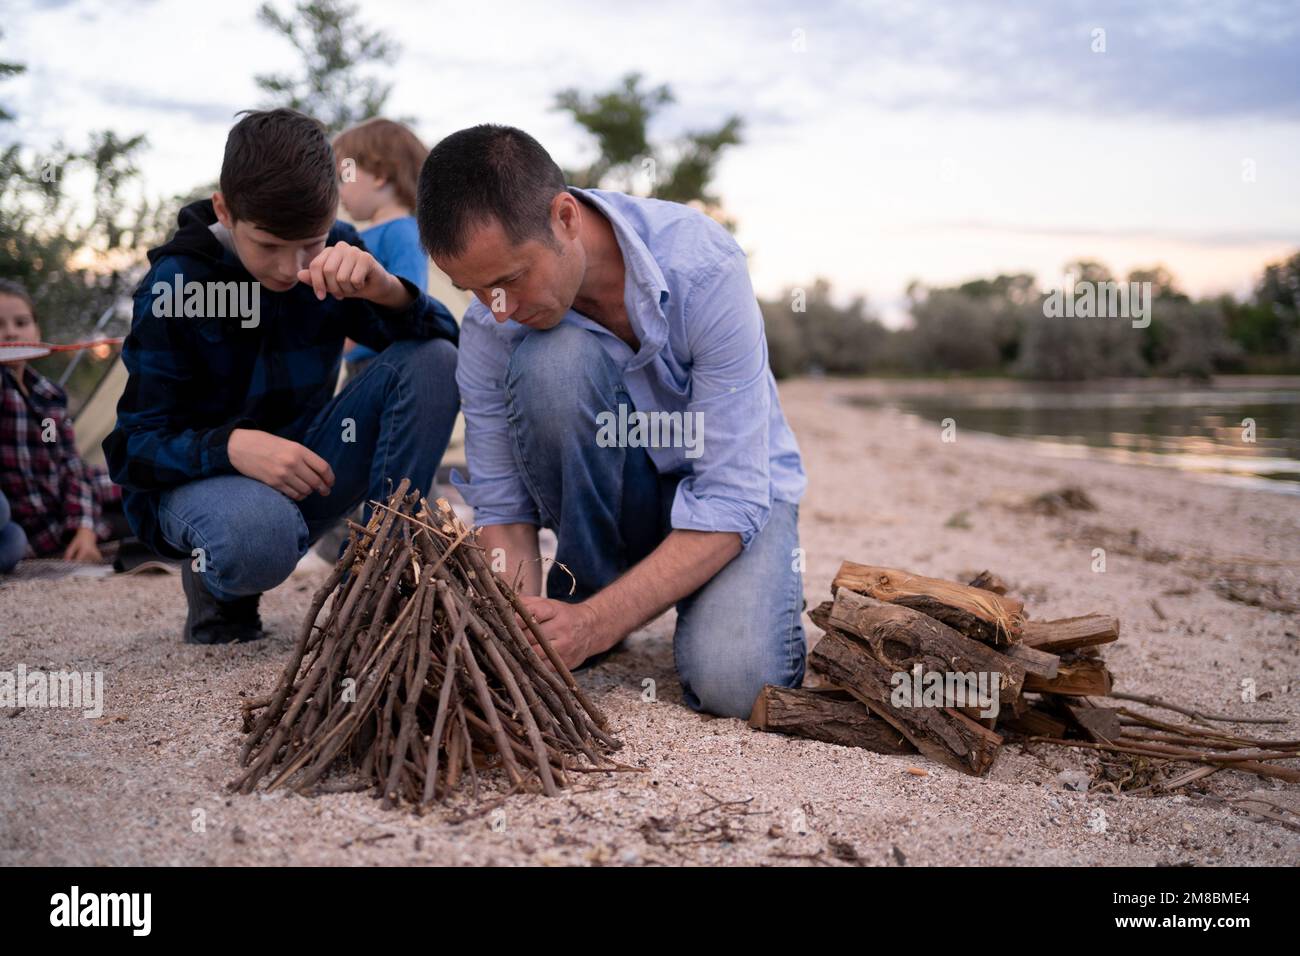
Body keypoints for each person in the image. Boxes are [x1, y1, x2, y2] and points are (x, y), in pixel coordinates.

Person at [416, 124, 807, 719]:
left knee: (738, 683)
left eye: (510, 280)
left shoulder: (704, 267)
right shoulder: (489, 323)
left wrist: (592, 628)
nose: (499, 309)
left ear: (565, 217)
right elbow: (503, 506)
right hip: (618, 505)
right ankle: (590, 589)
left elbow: (732, 497)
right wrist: (520, 635)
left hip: (733, 501)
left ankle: (607, 610)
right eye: (476, 291)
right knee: (554, 363)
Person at [104, 108, 460, 645]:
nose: (291, 268)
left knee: (436, 360)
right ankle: (217, 582)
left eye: (310, 244)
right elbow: (132, 449)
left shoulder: (339, 250)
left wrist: (386, 289)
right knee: (258, 534)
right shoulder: (176, 284)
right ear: (224, 209)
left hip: (305, 471)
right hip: (208, 490)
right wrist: (233, 447)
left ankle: (386, 573)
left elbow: (441, 341)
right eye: (268, 245)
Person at [0, 278, 124, 570]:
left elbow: (70, 465)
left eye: (21, 323)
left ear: (37, 330)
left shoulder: (50, 395)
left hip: (64, 505)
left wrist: (84, 529)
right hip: (33, 525)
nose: (11, 333)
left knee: (137, 491)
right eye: (0, 325)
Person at [333, 117, 433, 375]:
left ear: (379, 174)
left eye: (344, 177)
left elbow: (409, 300)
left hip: (385, 364)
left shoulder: (402, 232)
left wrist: (349, 339)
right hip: (360, 363)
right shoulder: (364, 234)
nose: (339, 191)